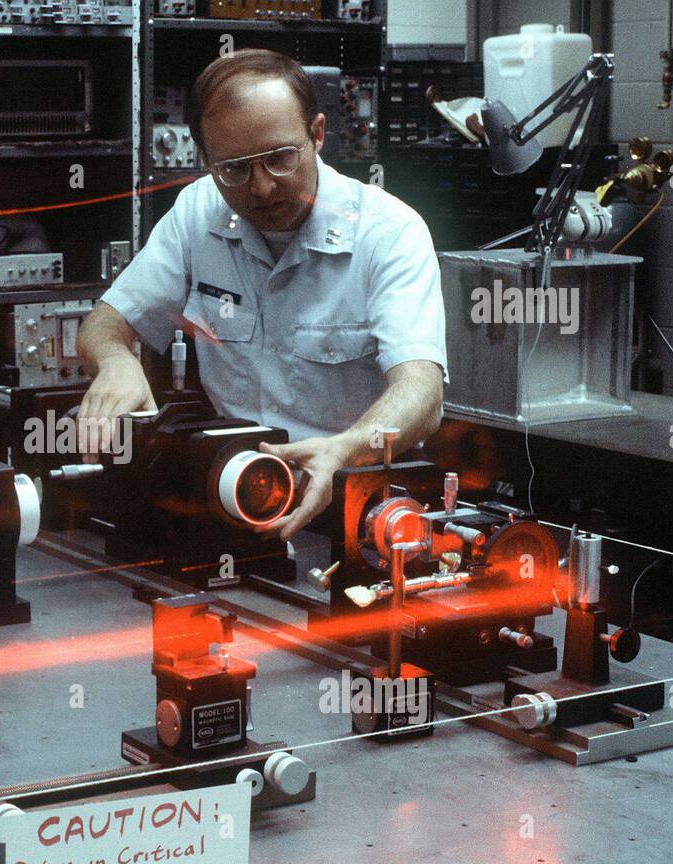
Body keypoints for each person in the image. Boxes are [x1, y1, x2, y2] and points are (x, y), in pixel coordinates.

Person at [77, 49, 447, 539]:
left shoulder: (390, 232)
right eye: (234, 169)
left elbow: (423, 393)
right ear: (204, 161)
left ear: (317, 134)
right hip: (234, 494)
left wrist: (345, 449)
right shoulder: (198, 213)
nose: (263, 188)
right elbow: (104, 324)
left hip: (356, 506)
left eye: (279, 158)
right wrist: (116, 360)